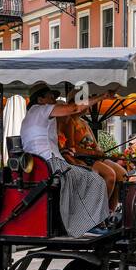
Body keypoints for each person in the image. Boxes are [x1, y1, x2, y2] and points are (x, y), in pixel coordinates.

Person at [20, 83, 109, 237]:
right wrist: (103, 96)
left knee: (86, 175)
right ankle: (87, 224)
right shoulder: (41, 109)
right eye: (50, 97)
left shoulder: (33, 114)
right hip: (50, 164)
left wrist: (63, 150)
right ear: (40, 99)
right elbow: (74, 108)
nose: (54, 100)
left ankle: (87, 221)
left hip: (43, 163)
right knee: (96, 180)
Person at [59, 112, 127, 209]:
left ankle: (110, 211)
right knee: (110, 175)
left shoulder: (85, 123)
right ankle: (98, 212)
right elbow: (72, 148)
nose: (86, 107)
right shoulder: (69, 122)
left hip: (94, 157)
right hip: (82, 158)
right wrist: (93, 153)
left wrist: (99, 151)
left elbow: (95, 144)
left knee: (122, 175)